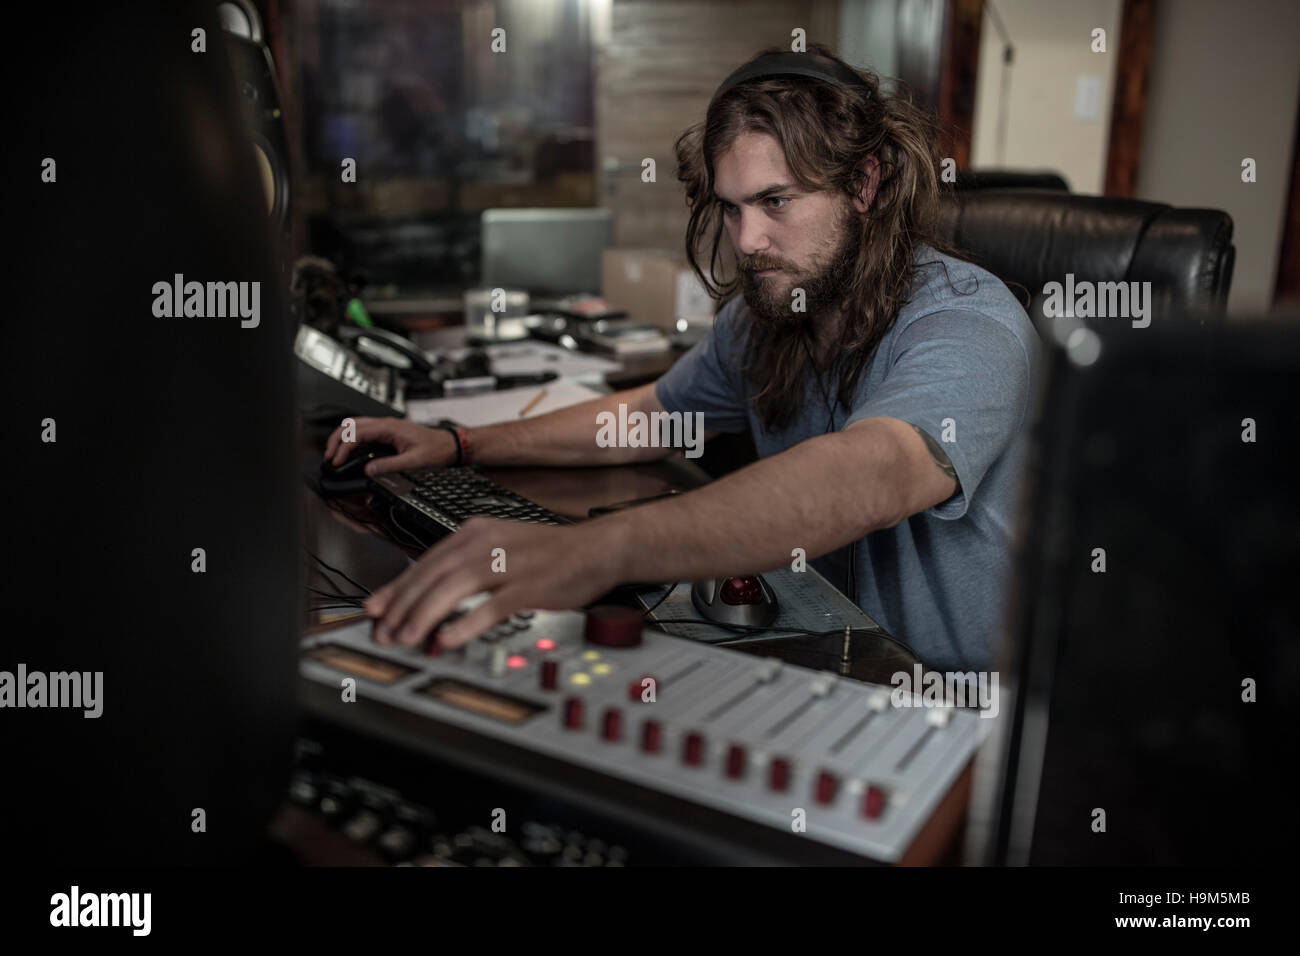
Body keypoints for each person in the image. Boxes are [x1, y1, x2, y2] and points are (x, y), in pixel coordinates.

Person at [324, 45, 1041, 671]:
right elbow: (653, 414)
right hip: (818, 656)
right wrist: (459, 442)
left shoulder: (967, 322)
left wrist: (597, 550)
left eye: (776, 201)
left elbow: (874, 471)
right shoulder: (768, 314)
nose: (748, 239)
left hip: (953, 705)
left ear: (864, 186)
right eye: (731, 209)